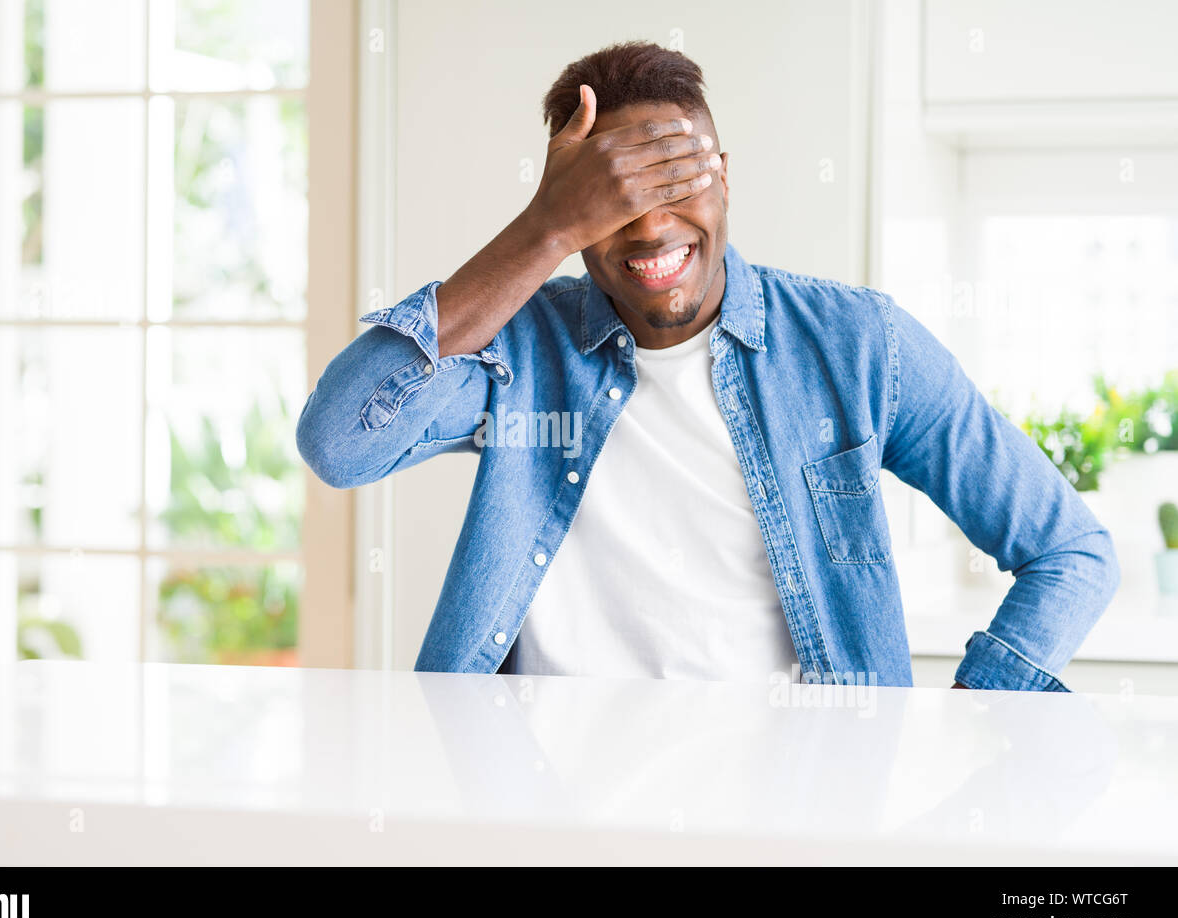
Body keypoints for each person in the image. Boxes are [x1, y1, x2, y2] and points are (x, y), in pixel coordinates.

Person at [296, 41, 1118, 690]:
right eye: (610, 199)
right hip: (535, 815)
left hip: (789, 821)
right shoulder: (515, 347)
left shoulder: (860, 344)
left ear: (724, 178)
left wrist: (956, 727)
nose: (650, 227)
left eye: (678, 178)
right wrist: (542, 231)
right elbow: (340, 441)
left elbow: (1070, 551)